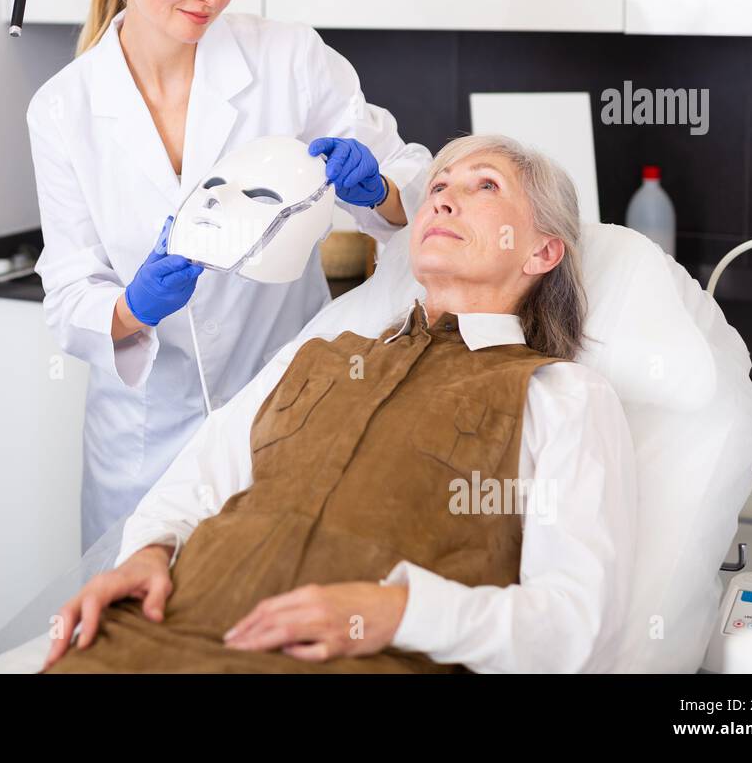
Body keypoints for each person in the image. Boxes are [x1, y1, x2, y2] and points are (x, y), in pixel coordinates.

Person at [39, 135, 638, 673]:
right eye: (437, 186)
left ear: (542, 253)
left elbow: (576, 625)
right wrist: (146, 554)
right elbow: (194, 481)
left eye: (484, 185)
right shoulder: (319, 355)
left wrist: (396, 611)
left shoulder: (561, 396)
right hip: (153, 632)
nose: (445, 199)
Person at [27, 0, 431, 550]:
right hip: (143, 440)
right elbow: (69, 292)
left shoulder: (287, 58)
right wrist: (131, 309)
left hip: (286, 403)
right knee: (135, 628)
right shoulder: (64, 108)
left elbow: (409, 180)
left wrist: (381, 192)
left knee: (267, 611)